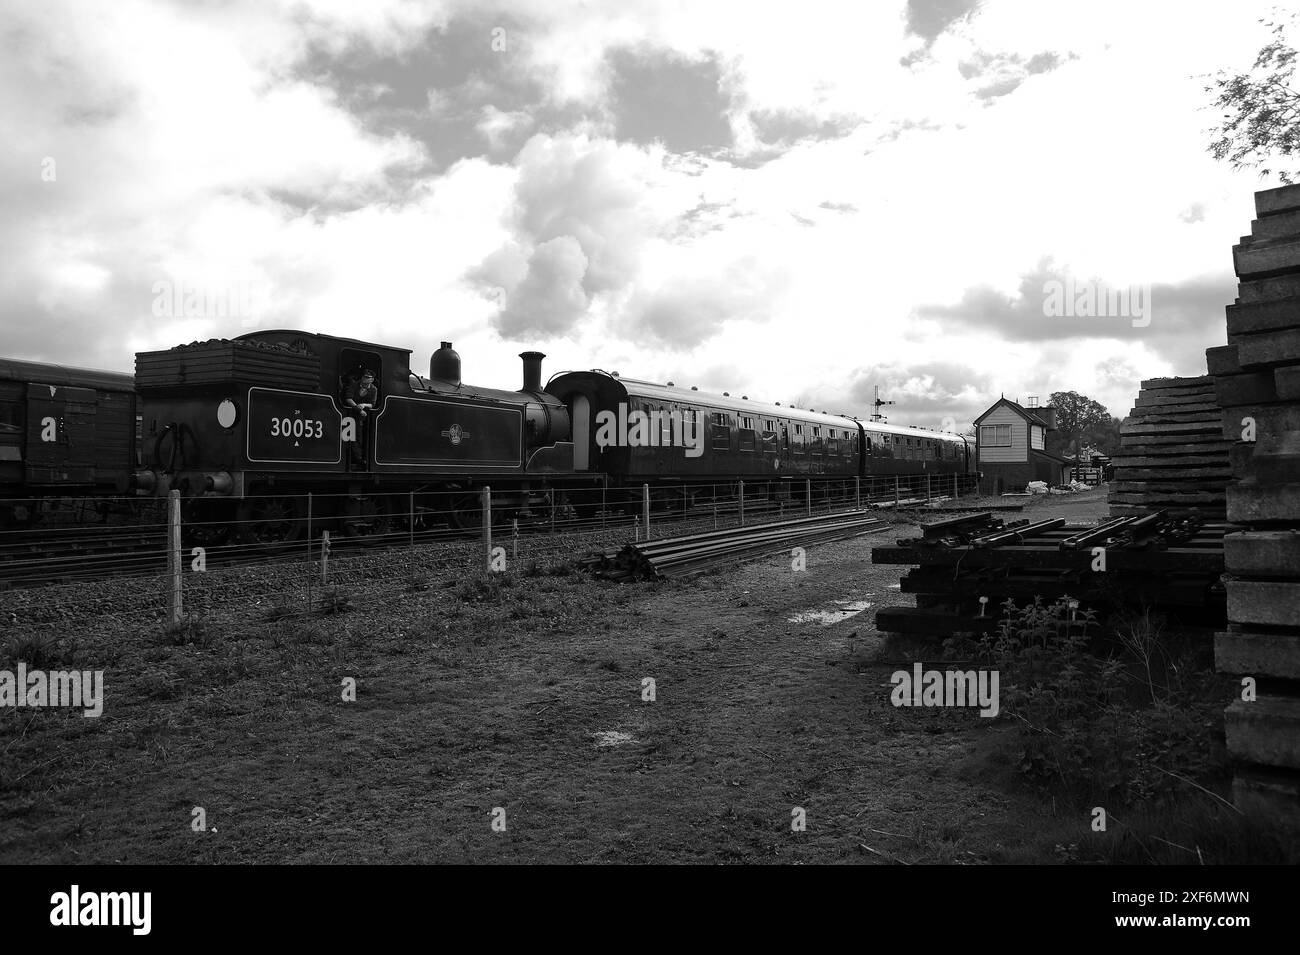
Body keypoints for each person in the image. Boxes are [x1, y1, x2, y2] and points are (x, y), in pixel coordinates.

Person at [344, 369, 378, 467]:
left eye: (367, 377)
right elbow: (348, 398)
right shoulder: (354, 385)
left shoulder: (373, 389)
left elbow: (373, 404)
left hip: (363, 417)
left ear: (372, 380)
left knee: (359, 437)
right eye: (364, 376)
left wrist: (364, 405)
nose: (364, 379)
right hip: (351, 414)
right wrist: (358, 408)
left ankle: (360, 458)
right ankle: (355, 458)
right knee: (352, 436)